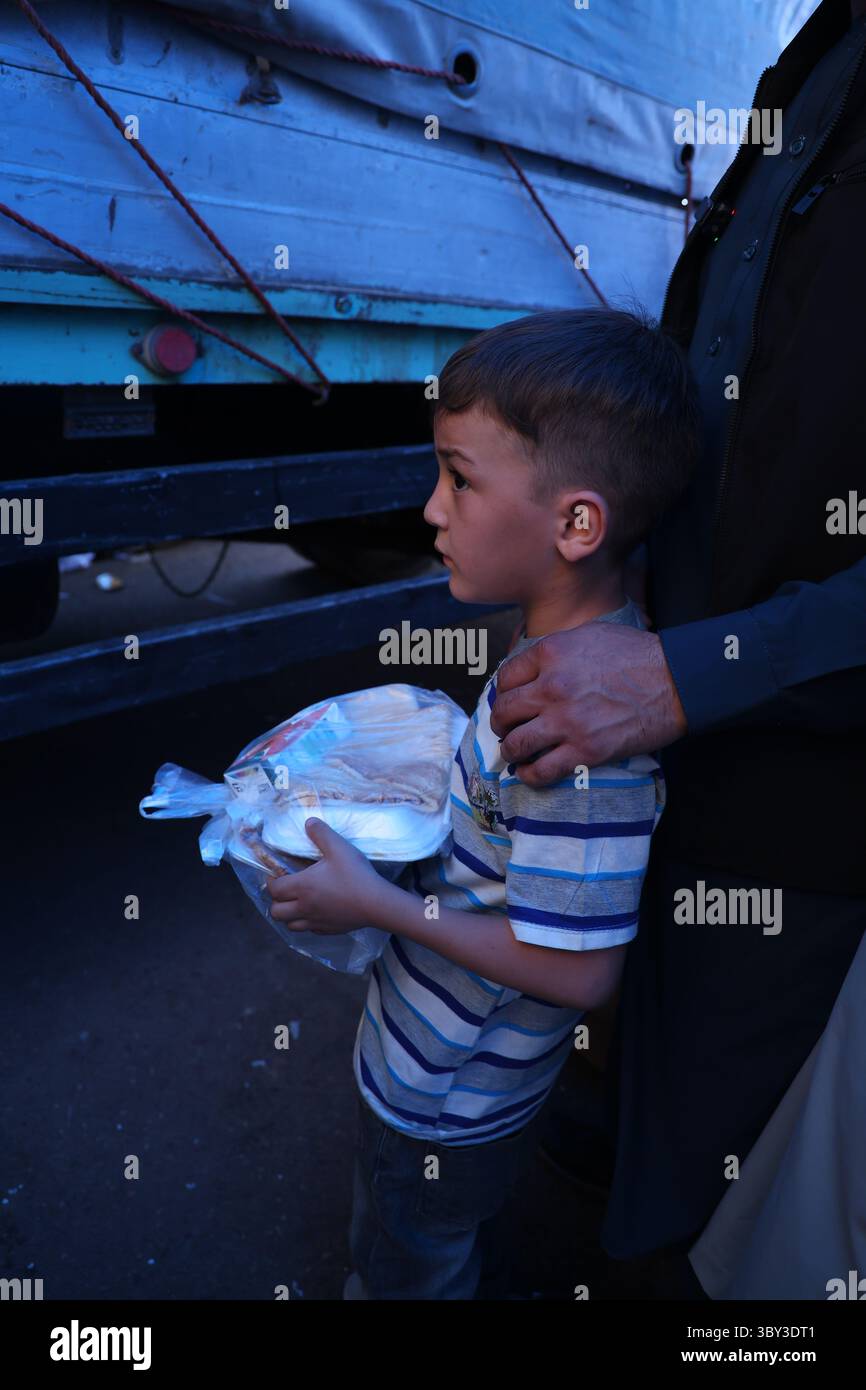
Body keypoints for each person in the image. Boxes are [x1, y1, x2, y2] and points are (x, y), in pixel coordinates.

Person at [488, 0, 866, 1295]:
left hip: (799, 810)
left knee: (728, 1216)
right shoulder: (811, 56)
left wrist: (683, 674)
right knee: (627, 1091)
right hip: (675, 770)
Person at [266, 307, 700, 1299]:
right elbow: (506, 849)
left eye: (458, 478)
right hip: (438, 1075)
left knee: (410, 1261)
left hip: (443, 1106)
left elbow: (580, 972)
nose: (430, 508)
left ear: (575, 523)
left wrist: (373, 904)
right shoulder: (559, 661)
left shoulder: (575, 734)